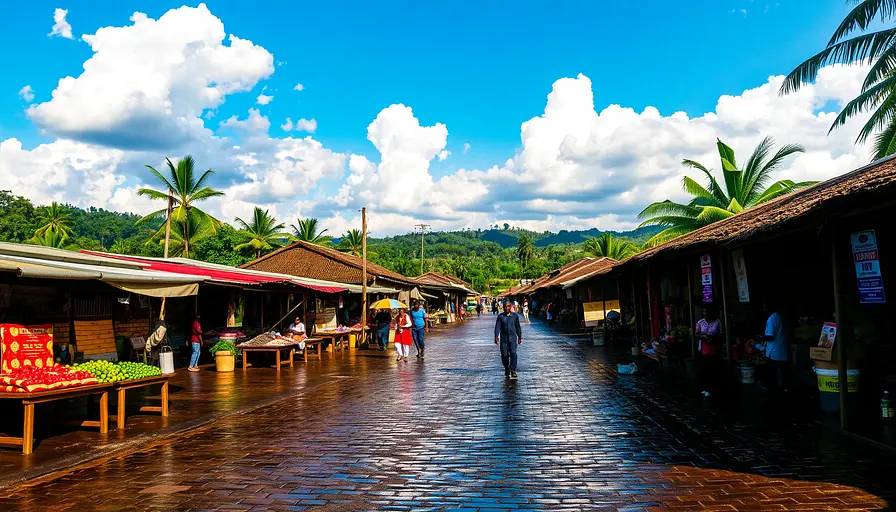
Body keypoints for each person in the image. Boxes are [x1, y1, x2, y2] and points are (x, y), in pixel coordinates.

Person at [756, 302, 790, 391]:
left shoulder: (772, 318)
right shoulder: (781, 317)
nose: (764, 310)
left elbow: (770, 336)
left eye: (765, 307)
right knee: (782, 374)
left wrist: (760, 337)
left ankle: (772, 391)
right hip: (783, 351)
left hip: (775, 352)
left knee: (772, 374)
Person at [694, 305, 722, 397]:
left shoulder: (717, 322)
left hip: (715, 348)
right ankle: (705, 388)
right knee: (704, 369)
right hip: (703, 348)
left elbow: (722, 333)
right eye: (705, 312)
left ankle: (713, 388)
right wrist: (704, 337)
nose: (706, 314)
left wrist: (714, 337)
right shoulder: (700, 322)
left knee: (714, 369)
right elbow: (696, 334)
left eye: (708, 312)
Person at [494, 301, 523, 379]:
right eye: (505, 307)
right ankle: (507, 368)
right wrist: (496, 336)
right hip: (504, 340)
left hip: (513, 339)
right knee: (504, 355)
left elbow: (518, 327)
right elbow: (497, 327)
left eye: (508, 306)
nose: (507, 308)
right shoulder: (500, 317)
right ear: (503, 307)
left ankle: (513, 370)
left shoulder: (515, 316)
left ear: (511, 307)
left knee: (513, 353)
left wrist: (519, 336)